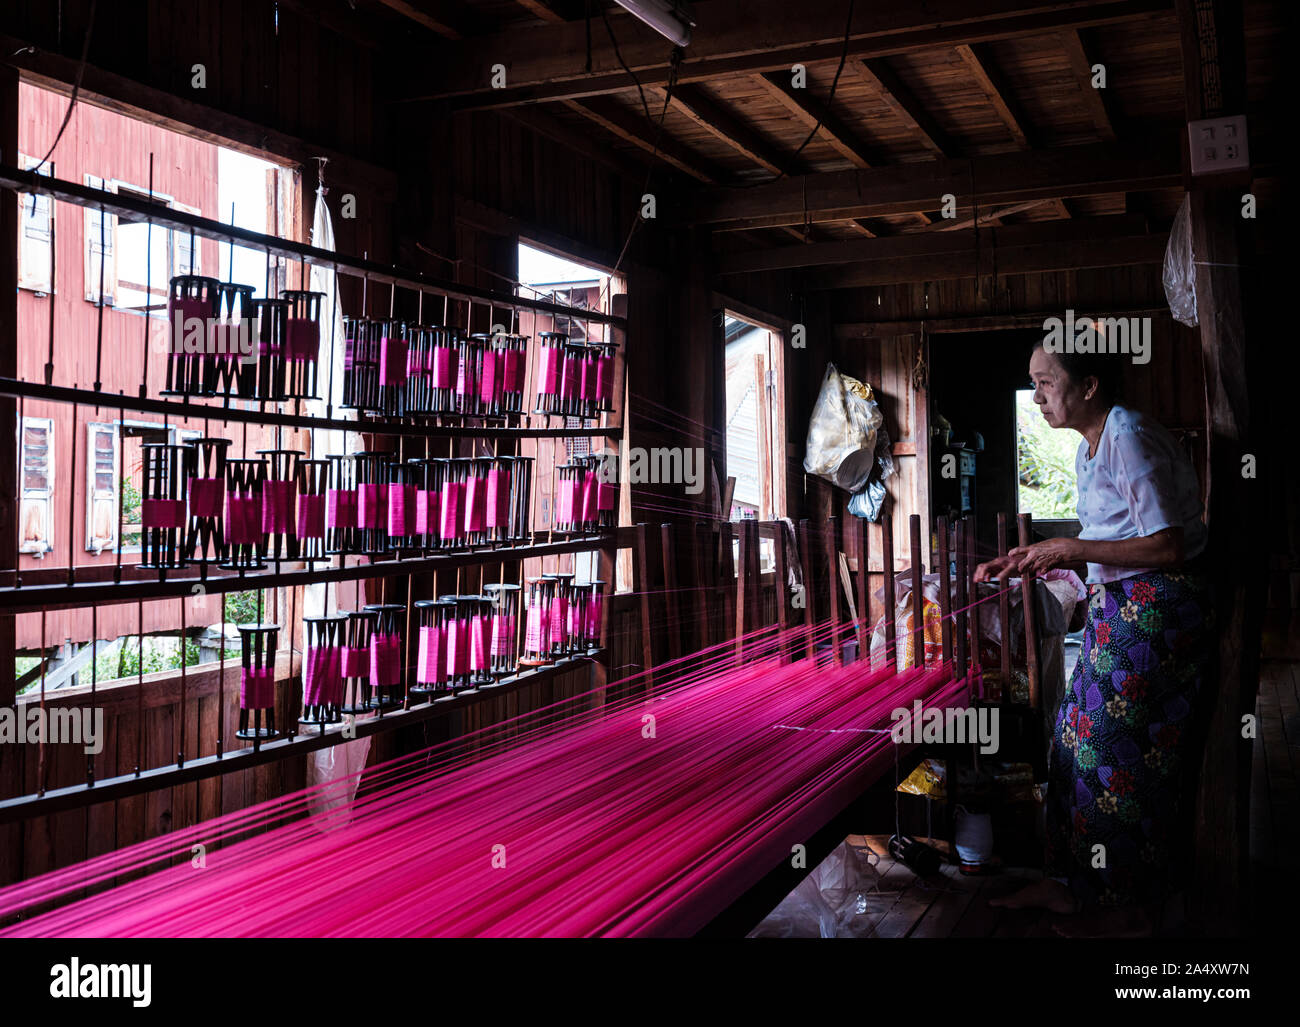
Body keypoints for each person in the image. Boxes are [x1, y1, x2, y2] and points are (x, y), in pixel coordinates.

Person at [975, 338, 1211, 937]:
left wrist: (1072, 548)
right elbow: (1111, 531)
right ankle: (1068, 885)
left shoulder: (1127, 435)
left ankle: (1126, 904)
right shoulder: (1090, 448)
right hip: (1122, 605)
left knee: (1114, 752)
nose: (1038, 396)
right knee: (1070, 739)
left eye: (1048, 382)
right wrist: (1032, 555)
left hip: (1159, 608)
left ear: (1089, 385)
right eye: (1033, 382)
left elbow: (1168, 545)